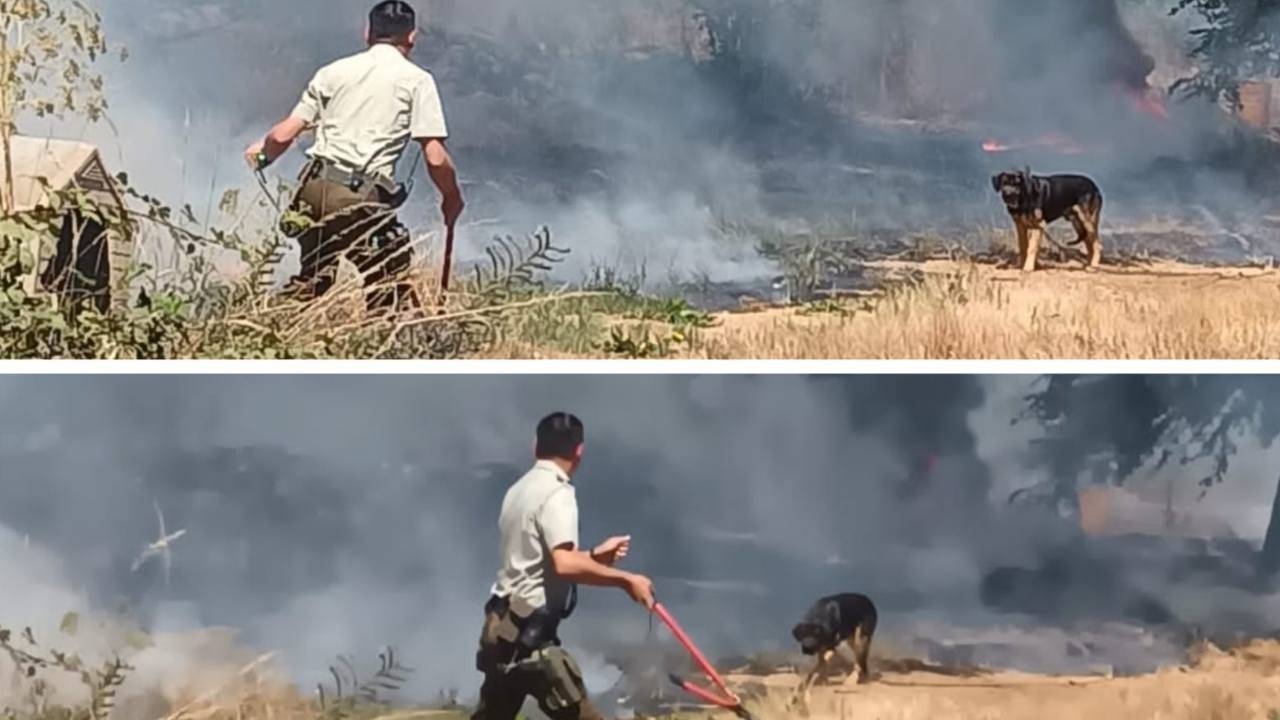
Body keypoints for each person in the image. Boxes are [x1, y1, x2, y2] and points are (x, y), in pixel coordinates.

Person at [243, 0, 464, 314]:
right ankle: (383, 349)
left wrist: (262, 159)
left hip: (313, 189)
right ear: (412, 37)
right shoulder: (417, 81)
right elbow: (436, 157)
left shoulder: (333, 72)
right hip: (358, 199)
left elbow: (281, 136)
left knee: (313, 281)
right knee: (388, 278)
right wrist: (452, 199)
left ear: (367, 33)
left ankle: (258, 328)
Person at [472, 412, 656, 720]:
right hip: (530, 636)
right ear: (579, 451)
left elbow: (538, 560)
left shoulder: (518, 490)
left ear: (535, 446)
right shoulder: (558, 493)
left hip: (501, 629)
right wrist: (627, 581)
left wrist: (596, 556)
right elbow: (564, 565)